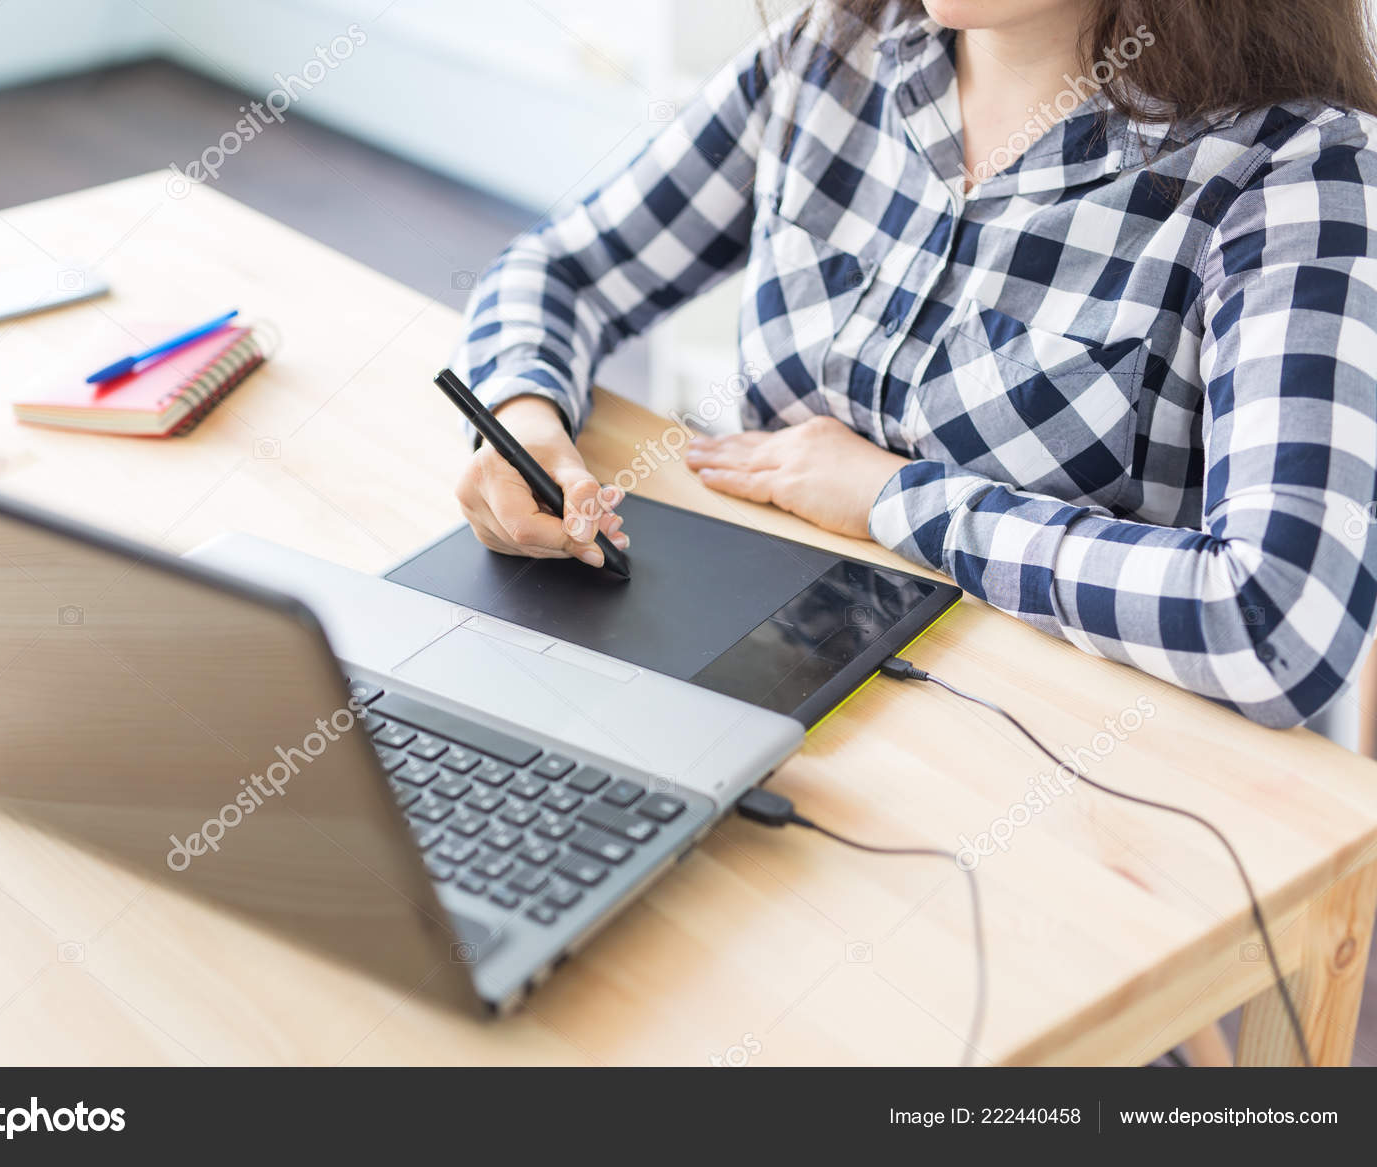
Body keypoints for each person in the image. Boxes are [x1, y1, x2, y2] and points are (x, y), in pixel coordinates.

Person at [450, 0, 1377, 729]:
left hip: (1052, 757)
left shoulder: (1299, 170)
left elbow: (1276, 622)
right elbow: (563, 270)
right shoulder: (834, 51)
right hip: (744, 681)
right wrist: (523, 416)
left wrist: (892, 498)